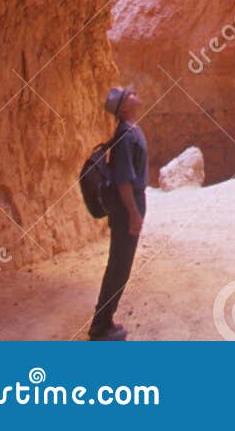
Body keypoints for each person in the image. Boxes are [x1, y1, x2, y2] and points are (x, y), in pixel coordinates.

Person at [89, 84, 147, 341]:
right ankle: (101, 327)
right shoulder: (126, 135)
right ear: (124, 107)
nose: (135, 93)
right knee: (119, 267)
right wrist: (133, 214)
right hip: (127, 208)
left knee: (121, 266)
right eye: (130, 94)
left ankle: (104, 321)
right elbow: (124, 181)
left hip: (130, 205)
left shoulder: (131, 131)